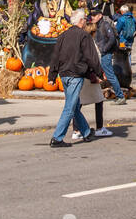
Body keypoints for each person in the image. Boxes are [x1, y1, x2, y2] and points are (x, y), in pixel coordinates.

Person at [47, 10, 104, 148]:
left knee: (74, 105)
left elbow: (55, 56)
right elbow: (91, 57)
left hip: (64, 74)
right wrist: (99, 73)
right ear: (81, 21)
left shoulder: (63, 36)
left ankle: (86, 133)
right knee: (70, 107)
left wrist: (52, 75)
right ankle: (57, 138)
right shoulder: (84, 36)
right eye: (85, 19)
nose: (86, 21)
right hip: (75, 75)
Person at [93, 12, 126, 104]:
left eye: (94, 15)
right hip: (103, 53)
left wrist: (104, 49)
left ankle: (120, 96)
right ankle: (98, 95)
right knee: (101, 75)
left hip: (106, 54)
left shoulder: (105, 24)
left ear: (99, 15)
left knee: (110, 76)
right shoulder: (99, 25)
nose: (92, 17)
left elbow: (112, 38)